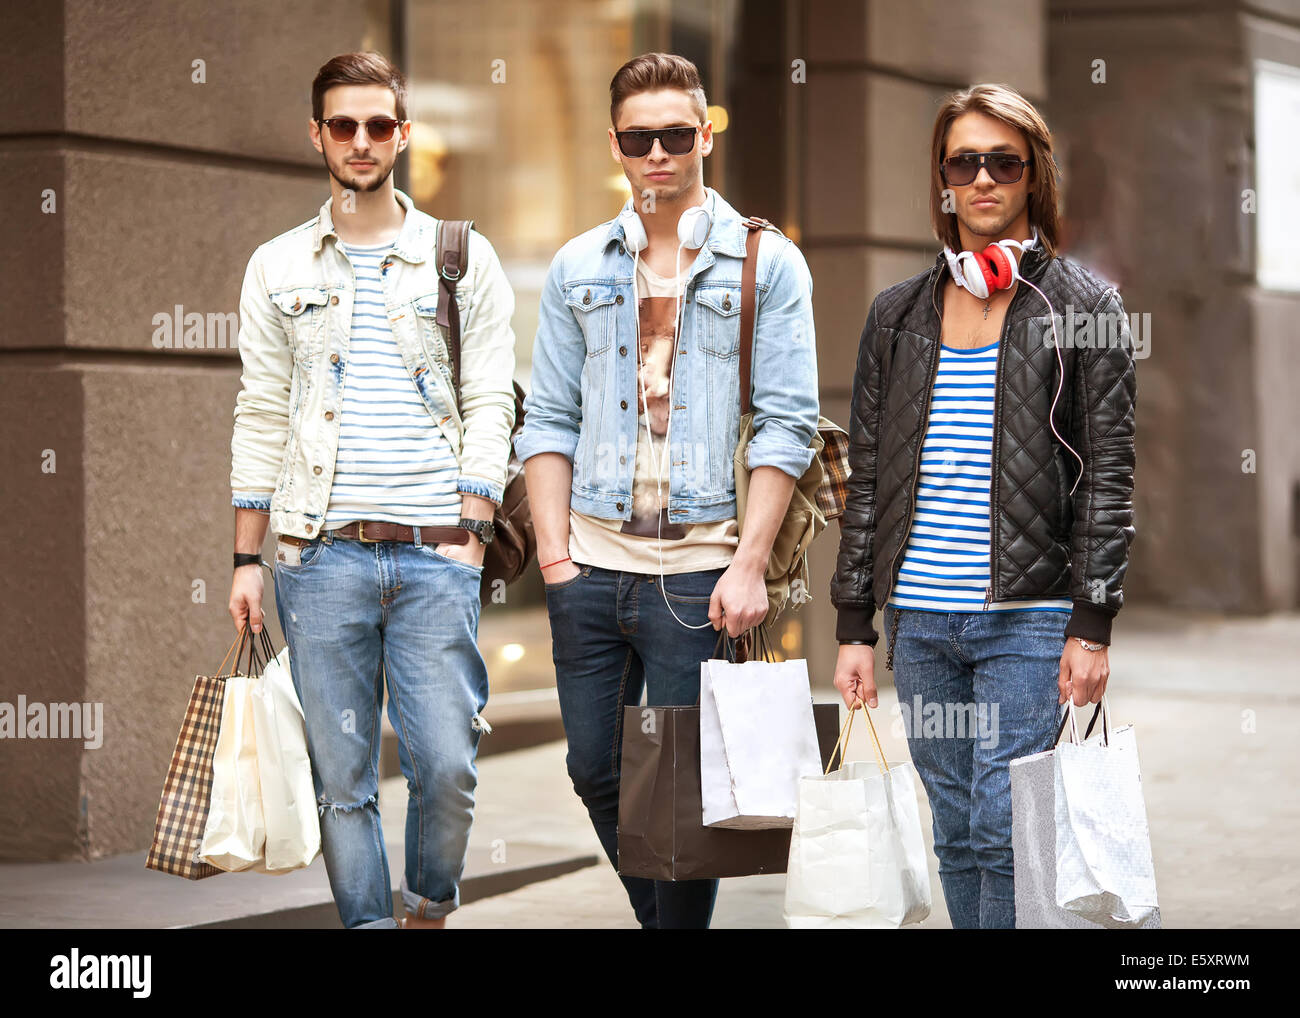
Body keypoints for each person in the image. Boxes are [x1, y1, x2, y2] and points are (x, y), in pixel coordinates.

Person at [514, 52, 820, 929]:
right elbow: (547, 422)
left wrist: (749, 564)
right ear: (615, 145)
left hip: (699, 574)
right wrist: (556, 558)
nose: (659, 154)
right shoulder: (579, 267)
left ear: (705, 135)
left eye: (677, 135)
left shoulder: (766, 264)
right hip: (591, 565)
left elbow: (786, 425)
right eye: (640, 138)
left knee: (682, 786)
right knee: (596, 771)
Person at [830, 83, 1137, 929]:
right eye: (964, 161)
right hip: (922, 619)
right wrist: (855, 622)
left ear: (1035, 175)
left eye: (1004, 161)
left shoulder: (1084, 308)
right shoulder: (896, 316)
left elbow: (1111, 475)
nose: (984, 179)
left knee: (1008, 826)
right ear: (942, 179)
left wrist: (1093, 622)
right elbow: (868, 477)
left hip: (1030, 619)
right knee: (958, 829)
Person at [226, 51, 517, 928]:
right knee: (342, 780)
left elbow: (491, 396)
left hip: (435, 555)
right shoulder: (277, 267)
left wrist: (472, 521)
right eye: (342, 125)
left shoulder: (459, 257)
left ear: (403, 134)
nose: (361, 141)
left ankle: (427, 908)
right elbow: (262, 415)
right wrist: (246, 557)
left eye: (378, 124)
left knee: (447, 767)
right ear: (316, 134)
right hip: (318, 561)